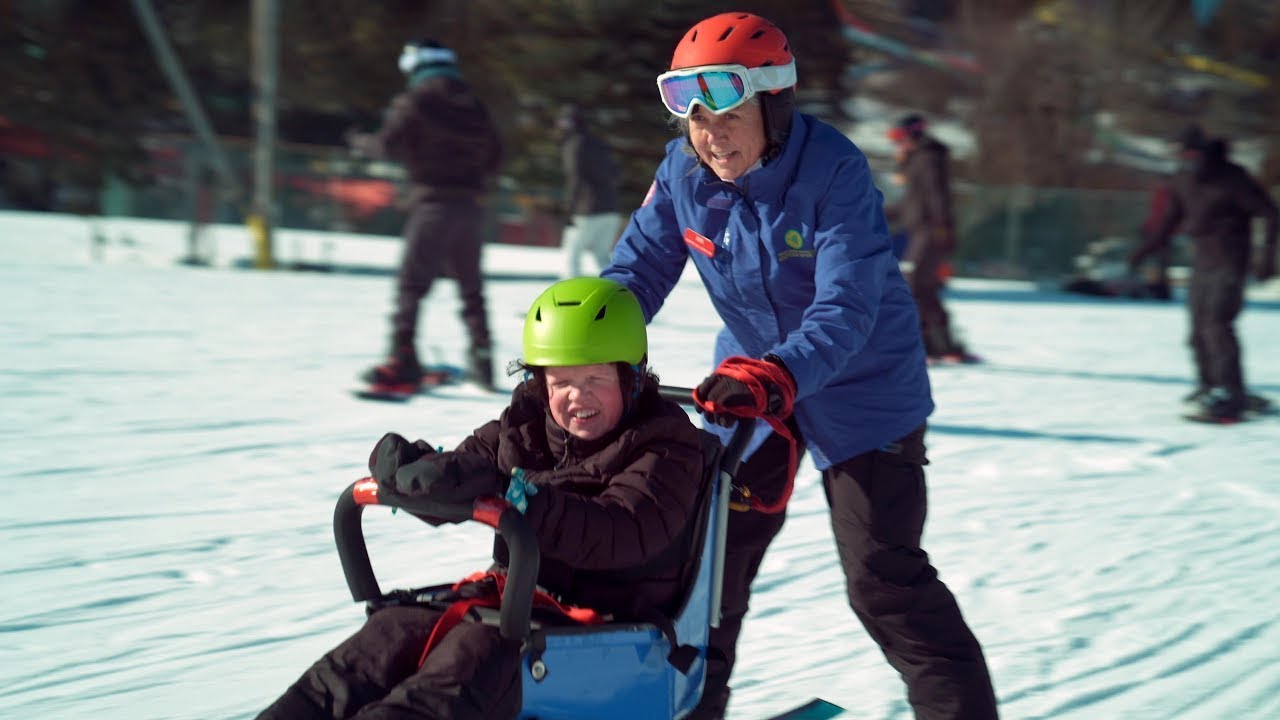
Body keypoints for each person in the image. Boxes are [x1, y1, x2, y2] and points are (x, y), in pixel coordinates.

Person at [601, 12, 998, 720]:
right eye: (692, 115)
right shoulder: (683, 173)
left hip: (864, 391)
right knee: (708, 573)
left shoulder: (834, 172)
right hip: (752, 392)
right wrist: (588, 335)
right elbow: (639, 268)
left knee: (884, 579)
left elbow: (848, 303)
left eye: (726, 112)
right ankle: (693, 709)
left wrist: (780, 373)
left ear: (773, 105)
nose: (709, 133)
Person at [257, 277, 706, 719]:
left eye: (595, 378)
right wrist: (413, 472)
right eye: (561, 381)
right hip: (513, 600)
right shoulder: (523, 428)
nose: (577, 397)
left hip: (612, 628)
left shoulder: (667, 447)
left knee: (467, 664)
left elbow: (619, 530)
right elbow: (464, 472)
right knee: (388, 634)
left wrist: (521, 499)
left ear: (631, 376)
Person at [348, 38, 503, 391]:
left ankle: (402, 358)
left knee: (412, 286)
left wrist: (359, 141)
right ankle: (484, 362)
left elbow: (387, 144)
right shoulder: (475, 105)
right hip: (470, 208)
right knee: (471, 289)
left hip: (433, 204)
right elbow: (497, 155)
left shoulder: (417, 99)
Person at [1129, 129, 1278, 421]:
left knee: (1217, 326)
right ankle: (1209, 386)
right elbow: (1170, 219)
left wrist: (1266, 259)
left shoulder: (1232, 178)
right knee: (1198, 330)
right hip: (1202, 263)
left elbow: (1271, 214)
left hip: (1231, 260)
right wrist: (1145, 250)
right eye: (1180, 156)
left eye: (1191, 156)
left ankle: (1230, 393)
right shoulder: (1182, 181)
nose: (1186, 162)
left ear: (1204, 154)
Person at [886, 113, 973, 362]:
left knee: (914, 283)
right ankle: (942, 345)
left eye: (899, 137)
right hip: (921, 230)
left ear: (913, 134)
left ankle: (930, 345)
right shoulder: (916, 160)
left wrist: (942, 229)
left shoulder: (928, 158)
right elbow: (910, 202)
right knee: (924, 287)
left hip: (931, 231)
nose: (896, 143)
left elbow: (937, 195)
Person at [556, 104, 624, 278]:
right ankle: (617, 292)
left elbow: (575, 179)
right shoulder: (599, 143)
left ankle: (568, 298)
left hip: (586, 211)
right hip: (610, 209)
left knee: (572, 255)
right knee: (601, 256)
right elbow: (616, 172)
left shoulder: (574, 144)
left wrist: (569, 210)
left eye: (563, 121)